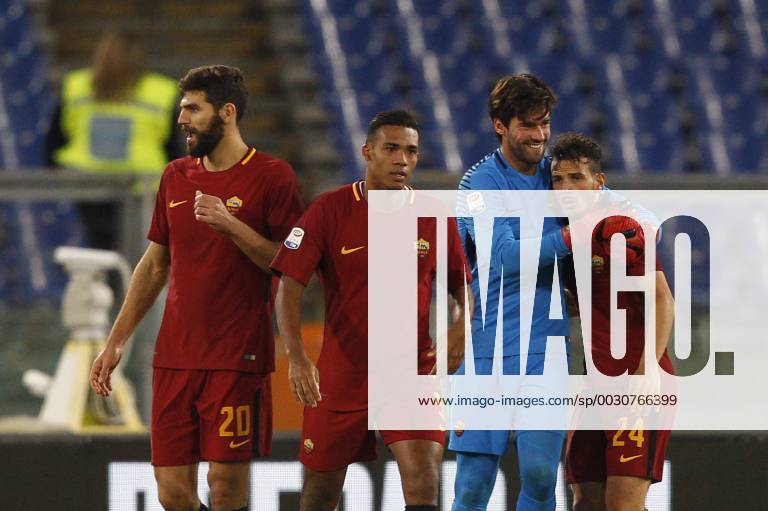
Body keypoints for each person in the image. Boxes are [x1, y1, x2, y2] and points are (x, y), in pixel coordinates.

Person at [89, 65, 304, 511]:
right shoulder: (175, 176)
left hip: (236, 356)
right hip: (175, 356)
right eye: (181, 108)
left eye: (193, 109)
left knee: (225, 487)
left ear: (227, 113)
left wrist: (232, 226)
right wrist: (115, 342)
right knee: (171, 494)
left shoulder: (272, 176)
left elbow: (292, 266)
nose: (181, 119)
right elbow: (153, 266)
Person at [271, 109, 471, 511]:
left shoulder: (434, 215)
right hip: (341, 376)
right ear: (367, 151)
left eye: (411, 152)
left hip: (413, 374)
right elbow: (288, 287)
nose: (402, 160)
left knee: (423, 481)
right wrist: (296, 357)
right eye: (391, 149)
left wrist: (460, 327)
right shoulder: (330, 210)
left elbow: (461, 285)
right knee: (319, 495)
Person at [450, 74, 572, 511]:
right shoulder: (478, 185)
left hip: (546, 350)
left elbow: (613, 207)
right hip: (488, 350)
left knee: (541, 477)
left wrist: (635, 224)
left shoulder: (559, 174)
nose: (539, 135)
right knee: (473, 485)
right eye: (528, 125)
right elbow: (500, 255)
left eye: (545, 123)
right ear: (500, 125)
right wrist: (568, 241)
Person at [549, 132, 675, 511]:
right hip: (595, 384)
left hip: (634, 379)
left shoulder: (618, 228)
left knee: (624, 505)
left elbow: (661, 298)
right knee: (585, 501)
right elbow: (587, 303)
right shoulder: (565, 238)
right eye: (558, 179)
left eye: (576, 178)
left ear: (598, 182)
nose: (566, 187)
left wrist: (647, 369)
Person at [46, 31, 184, 249]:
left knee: (94, 252)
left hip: (84, 187)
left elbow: (53, 141)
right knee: (134, 256)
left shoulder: (75, 85)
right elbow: (173, 149)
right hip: (141, 187)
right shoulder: (161, 91)